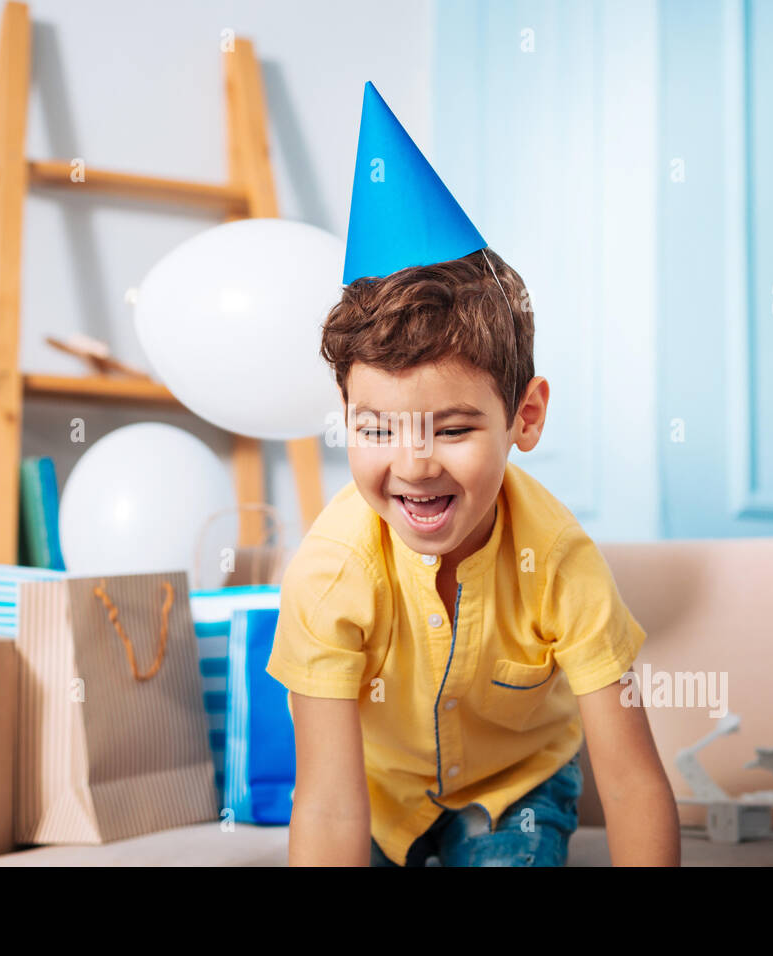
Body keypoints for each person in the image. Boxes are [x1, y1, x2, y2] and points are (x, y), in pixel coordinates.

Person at [266, 82, 679, 867]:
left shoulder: (559, 558)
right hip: (378, 798)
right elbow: (323, 802)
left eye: (452, 428)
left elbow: (629, 785)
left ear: (524, 417)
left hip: (514, 791)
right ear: (346, 416)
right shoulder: (328, 573)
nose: (415, 464)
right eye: (377, 428)